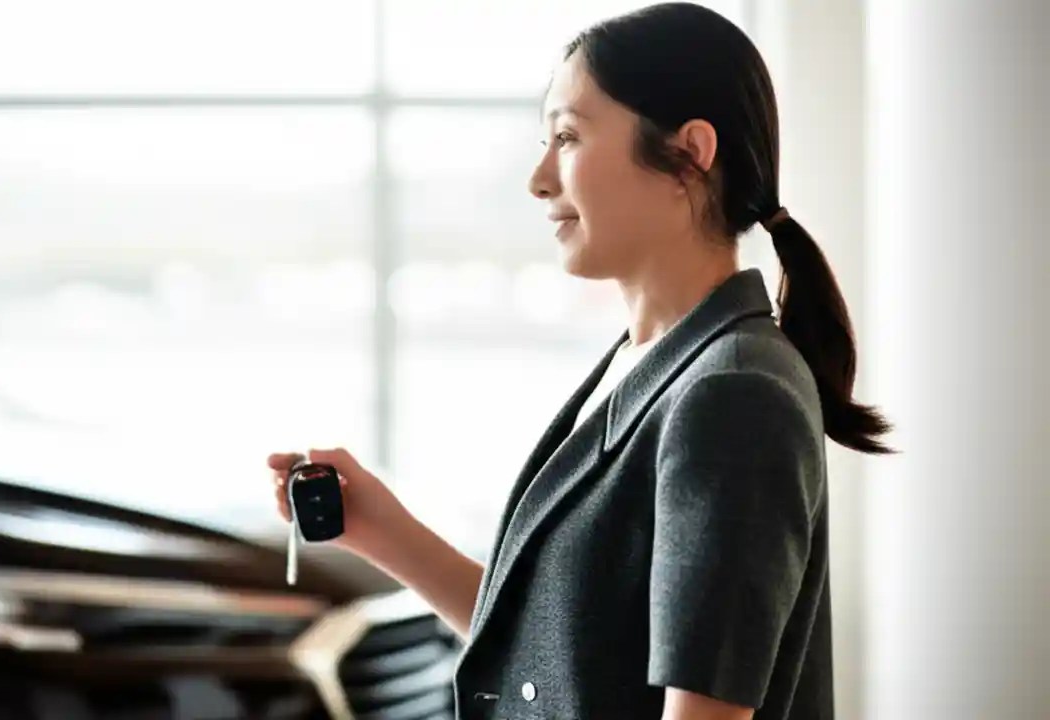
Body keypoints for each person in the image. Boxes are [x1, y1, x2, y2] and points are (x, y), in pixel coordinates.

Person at [267, 3, 892, 719]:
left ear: (689, 153)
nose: (538, 178)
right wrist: (380, 531)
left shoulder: (734, 395)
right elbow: (560, 662)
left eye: (567, 137)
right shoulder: (651, 364)